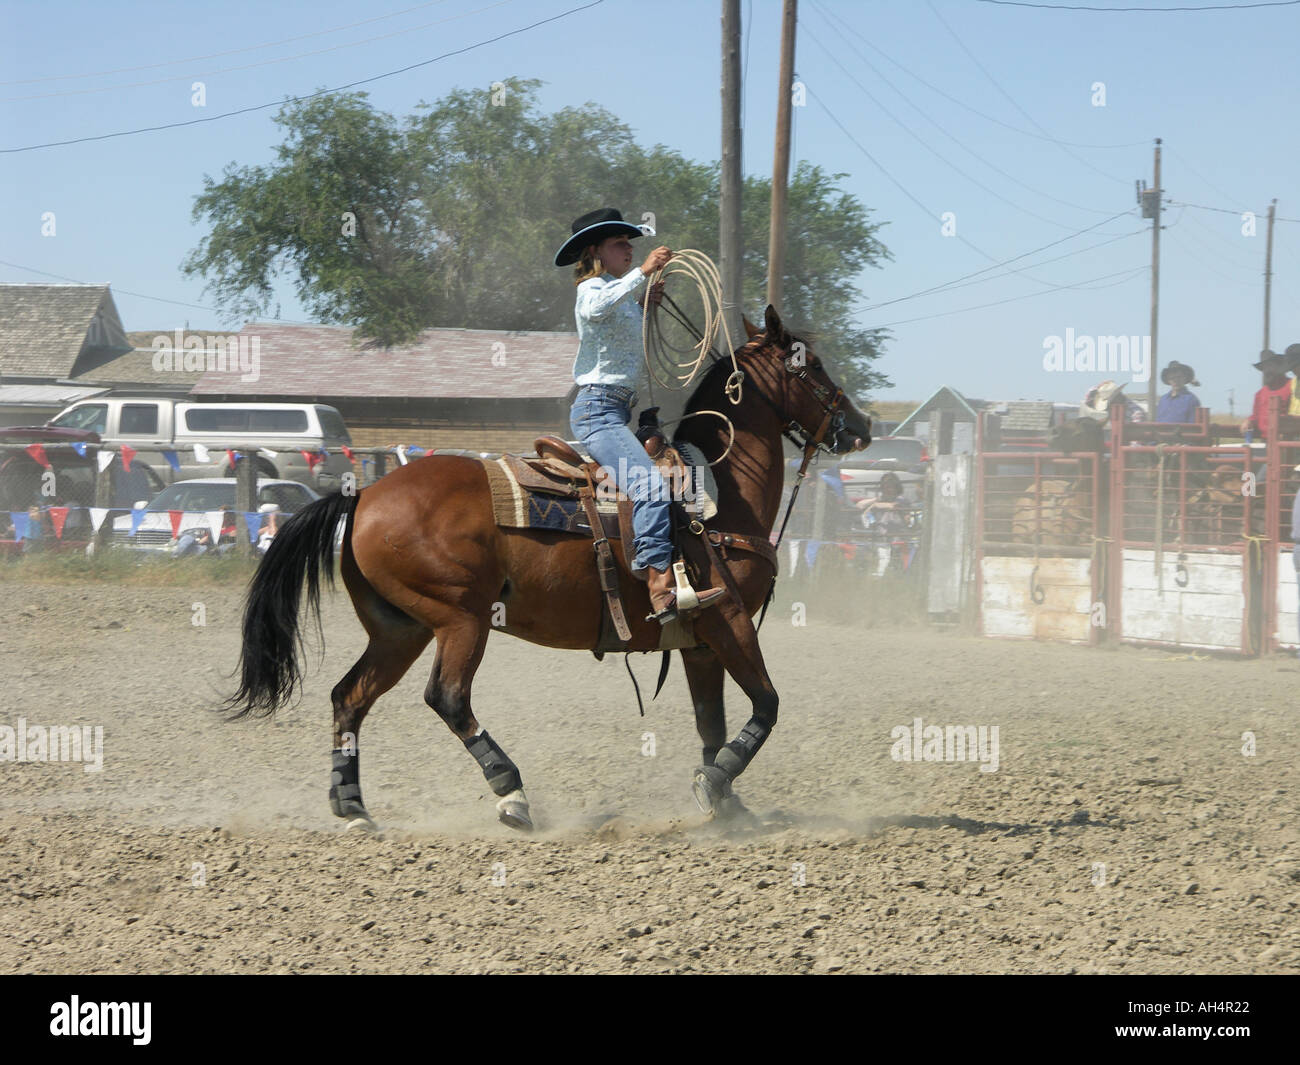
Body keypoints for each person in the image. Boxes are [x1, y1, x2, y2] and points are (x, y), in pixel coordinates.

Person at [555, 207, 726, 624]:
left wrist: (646, 301)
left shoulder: (620, 293)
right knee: (649, 485)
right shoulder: (591, 288)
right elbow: (597, 311)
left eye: (631, 244)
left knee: (672, 473)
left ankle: (687, 567)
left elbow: (618, 325)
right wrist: (642, 276)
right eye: (620, 244)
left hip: (615, 408)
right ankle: (660, 588)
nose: (630, 249)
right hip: (597, 411)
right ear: (596, 250)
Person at [1242, 350, 1293, 441]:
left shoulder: (1292, 387)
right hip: (1265, 441)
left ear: (1278, 367)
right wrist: (1249, 421)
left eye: (1270, 366)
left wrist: (1286, 431)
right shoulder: (1260, 394)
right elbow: (1255, 417)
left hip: (1287, 440)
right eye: (1264, 367)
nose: (1267, 370)